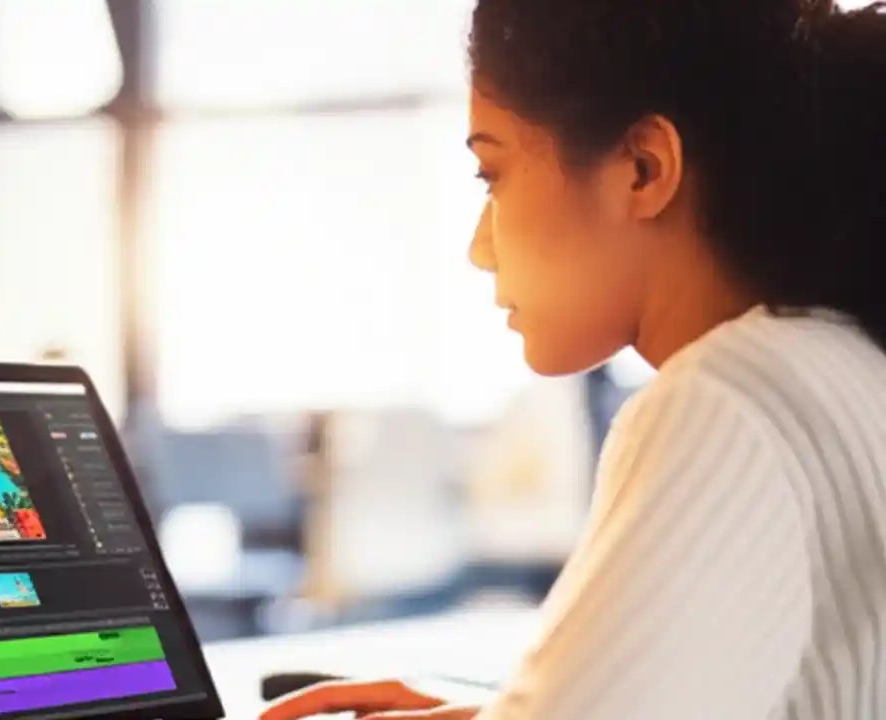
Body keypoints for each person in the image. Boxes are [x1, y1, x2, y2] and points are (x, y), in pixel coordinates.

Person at [262, 0, 886, 718]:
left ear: (643, 169)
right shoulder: (846, 359)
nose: (479, 248)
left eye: (491, 175)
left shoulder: (731, 399)